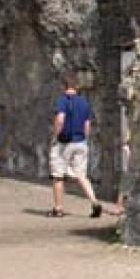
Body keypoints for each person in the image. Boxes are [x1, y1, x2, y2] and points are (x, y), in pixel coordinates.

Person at [47, 74, 107, 218]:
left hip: (64, 143)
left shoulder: (63, 100)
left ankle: (58, 208)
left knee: (58, 176)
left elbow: (60, 119)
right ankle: (94, 202)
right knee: (81, 175)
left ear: (64, 86)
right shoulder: (84, 102)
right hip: (80, 142)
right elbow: (87, 125)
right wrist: (84, 139)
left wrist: (54, 136)